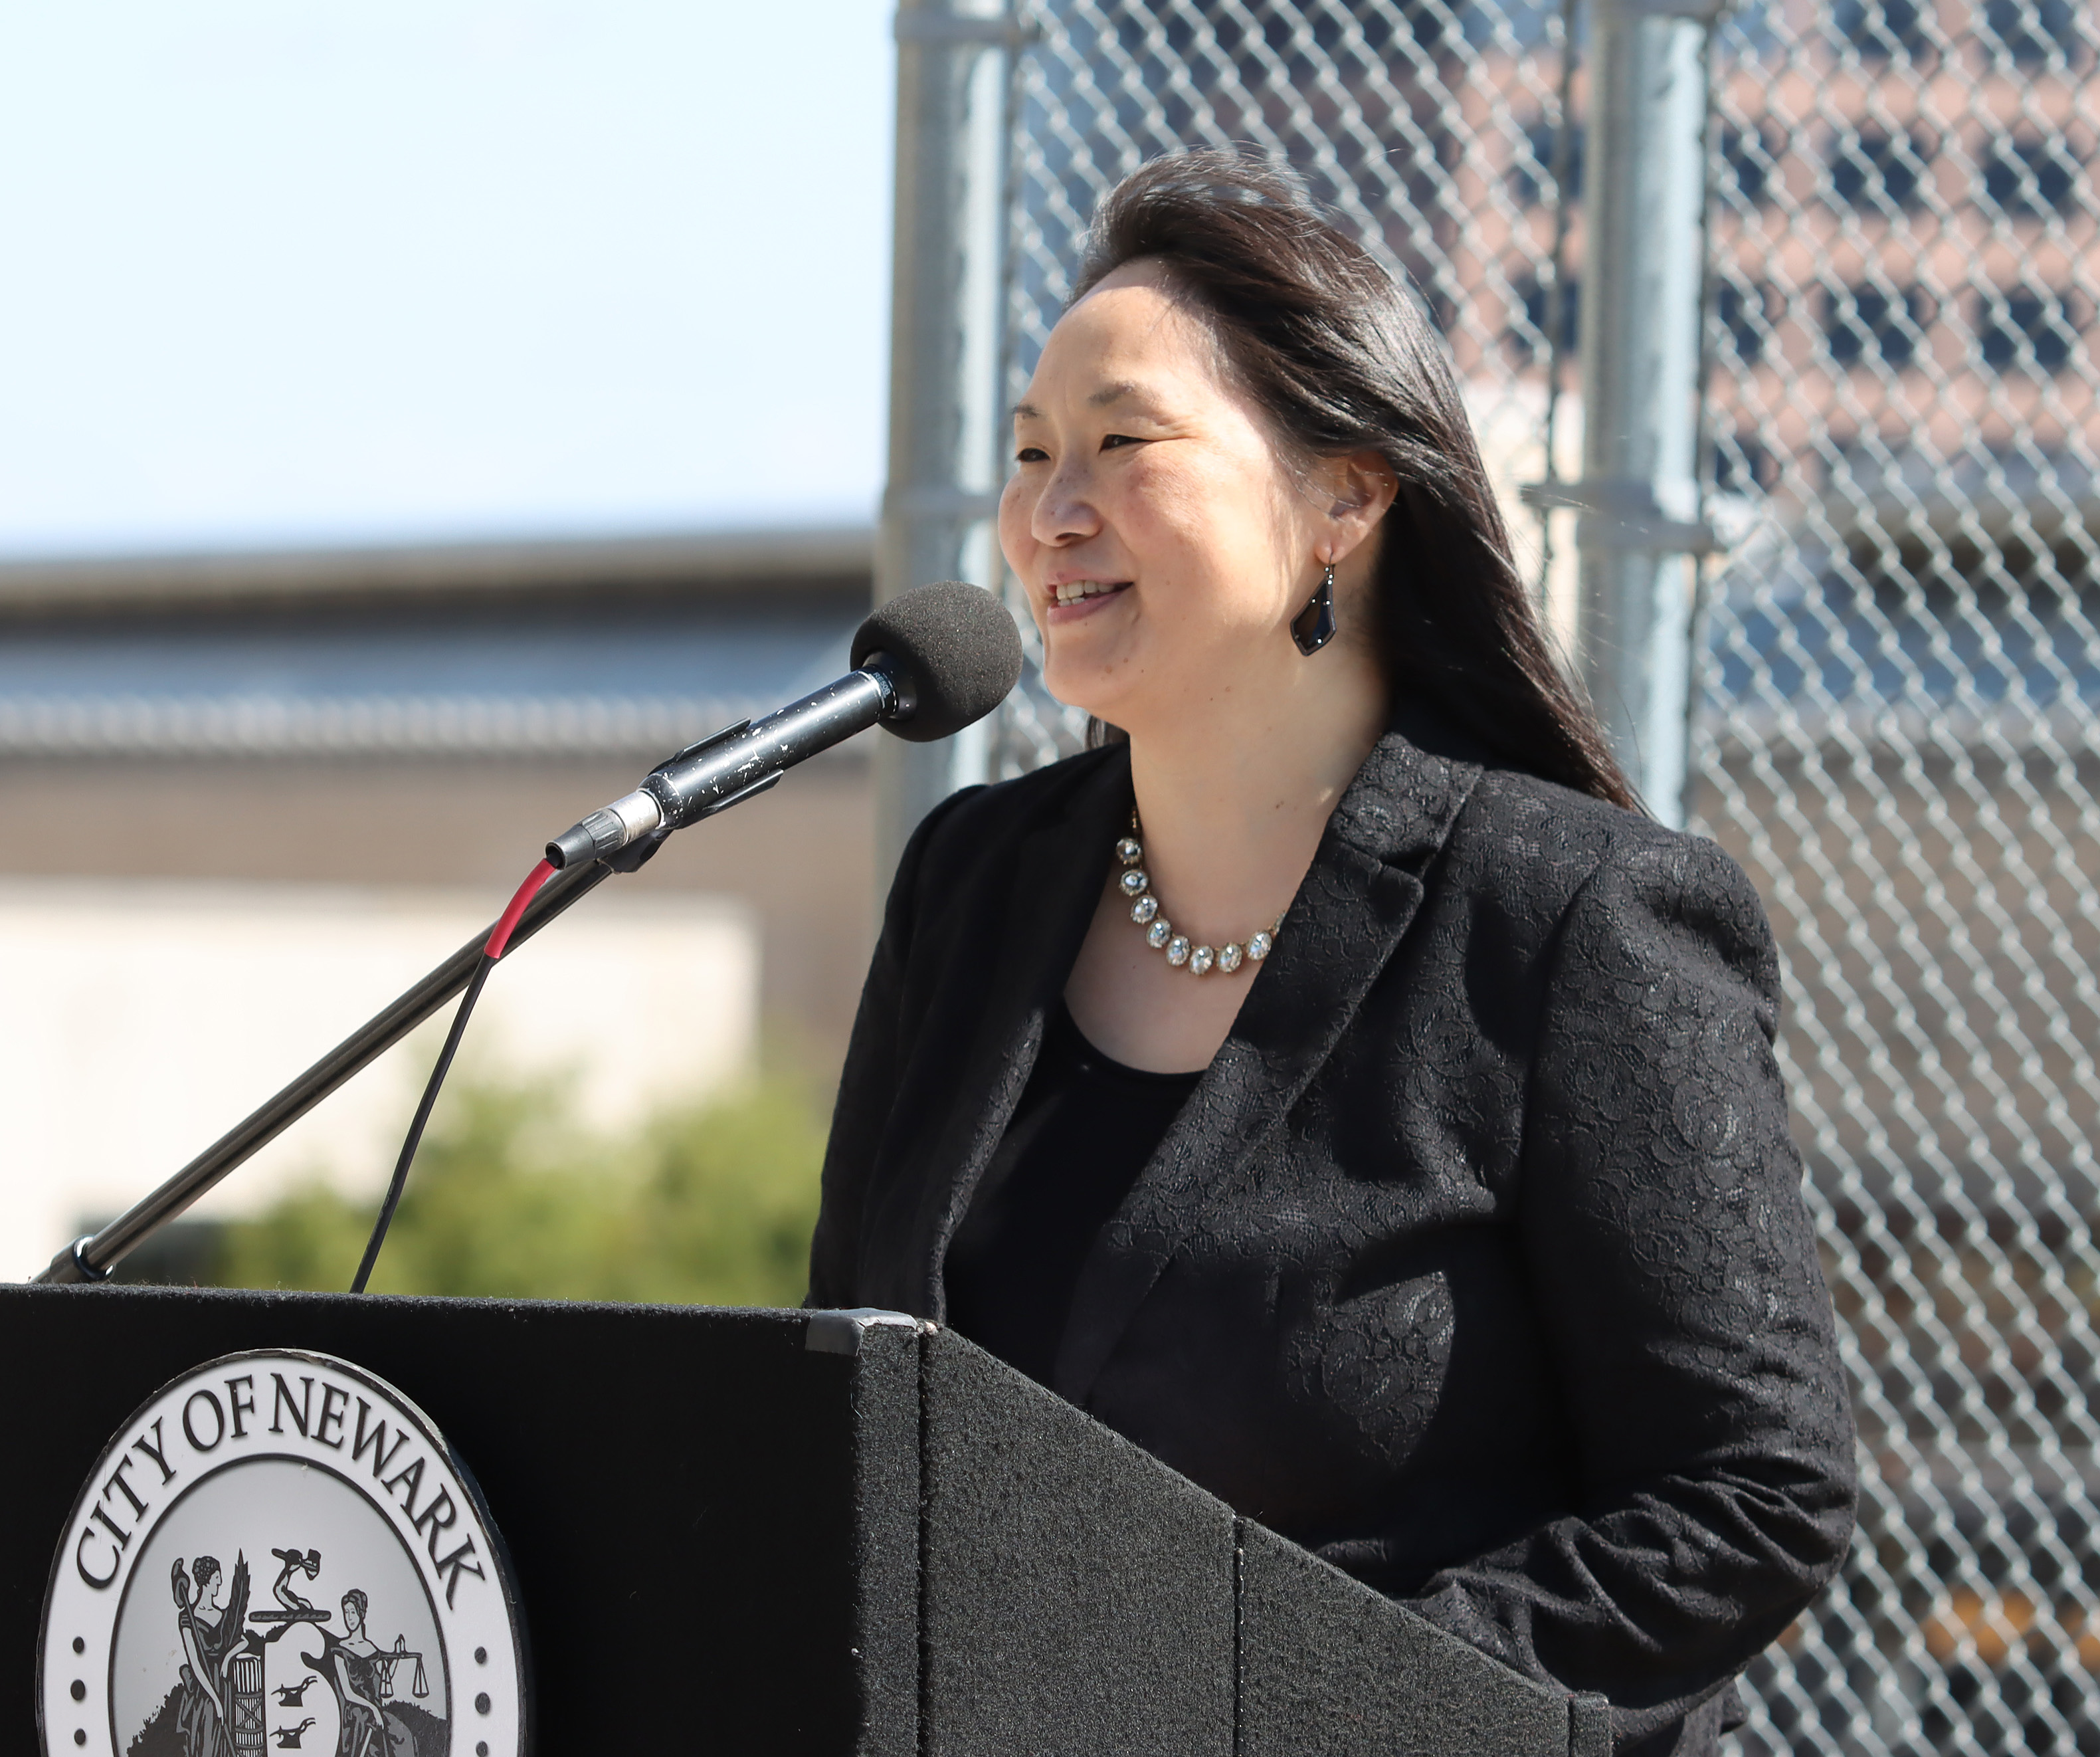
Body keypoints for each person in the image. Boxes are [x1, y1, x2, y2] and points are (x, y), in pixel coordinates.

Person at [809, 152, 1856, 1755]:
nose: (1046, 512)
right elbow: (846, 1409)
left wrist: (1302, 1704)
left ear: (1348, 497)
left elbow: (1748, 1493)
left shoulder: (1572, 917)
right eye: (1028, 455)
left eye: (1122, 444)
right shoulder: (972, 885)